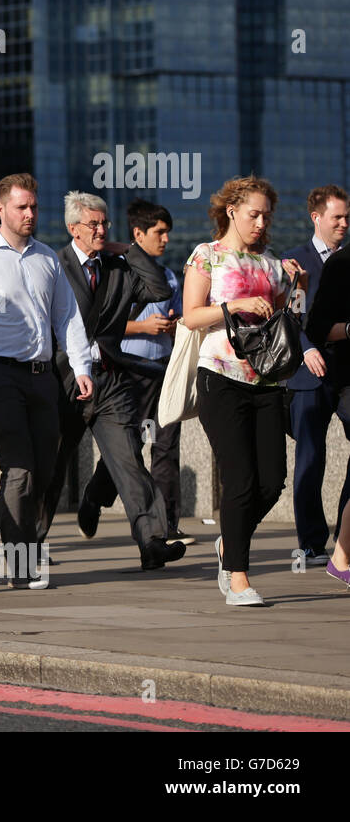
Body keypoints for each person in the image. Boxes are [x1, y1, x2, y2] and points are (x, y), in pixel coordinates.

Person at [0, 174, 93, 588]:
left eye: (34, 207)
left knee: (43, 475)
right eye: (21, 207)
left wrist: (81, 367)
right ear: (1, 209)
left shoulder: (48, 259)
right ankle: (21, 566)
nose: (30, 214)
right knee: (21, 471)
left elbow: (67, 317)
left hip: (43, 378)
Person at [35, 193, 185, 571]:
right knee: (50, 467)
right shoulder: (53, 264)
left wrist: (129, 250)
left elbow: (160, 290)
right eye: (93, 225)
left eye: (105, 224)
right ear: (73, 229)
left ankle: (152, 541)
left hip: (111, 380)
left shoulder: (118, 266)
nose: (101, 230)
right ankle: (17, 535)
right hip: (65, 381)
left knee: (129, 459)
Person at [183, 175, 302, 606]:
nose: (260, 222)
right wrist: (235, 305)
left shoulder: (273, 264)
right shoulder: (207, 256)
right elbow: (191, 316)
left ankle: (227, 545)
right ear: (232, 210)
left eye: (266, 215)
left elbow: (288, 322)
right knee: (240, 480)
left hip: (267, 381)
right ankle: (238, 577)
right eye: (253, 213)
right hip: (220, 376)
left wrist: (297, 286)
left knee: (271, 482)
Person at [84, 199, 190, 545]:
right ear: (137, 234)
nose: (166, 240)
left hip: (163, 370)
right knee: (128, 449)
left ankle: (166, 527)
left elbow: (178, 317)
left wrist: (174, 327)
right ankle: (95, 497)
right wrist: (143, 327)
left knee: (166, 447)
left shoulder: (168, 276)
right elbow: (101, 327)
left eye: (168, 233)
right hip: (127, 372)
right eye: (159, 232)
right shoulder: (115, 273)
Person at [282, 186, 349, 564]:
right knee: (310, 458)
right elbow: (293, 315)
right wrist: (307, 347)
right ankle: (311, 542)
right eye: (337, 217)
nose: (344, 223)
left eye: (346, 217)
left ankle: (346, 538)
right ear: (316, 218)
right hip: (310, 372)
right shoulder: (295, 260)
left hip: (347, 371)